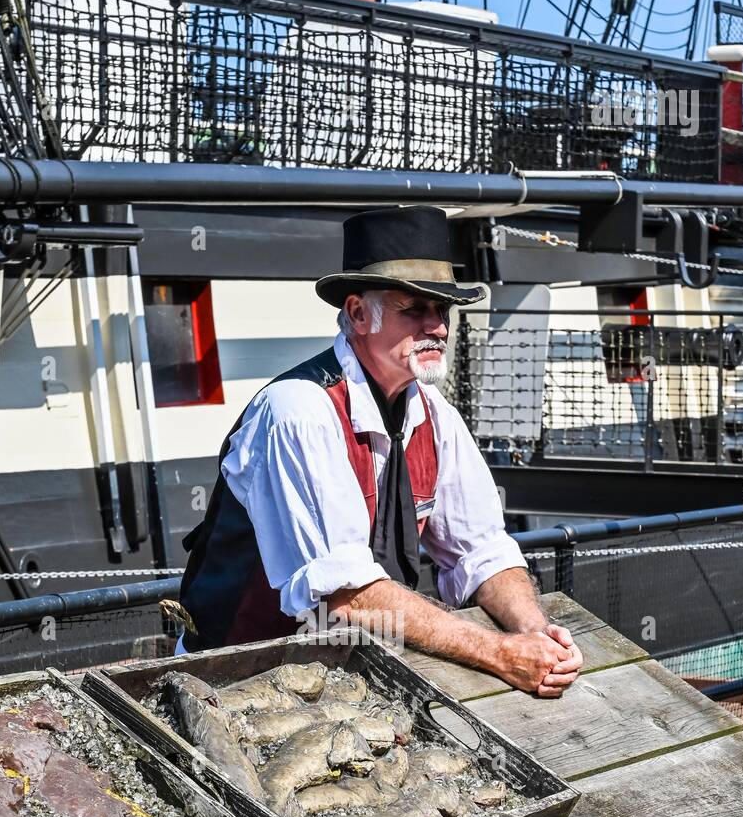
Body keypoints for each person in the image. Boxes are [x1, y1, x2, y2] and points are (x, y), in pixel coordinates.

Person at [178, 205, 582, 697]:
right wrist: (497, 653)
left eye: (444, 310)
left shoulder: (434, 415)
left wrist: (532, 631)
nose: (436, 327)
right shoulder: (298, 411)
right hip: (240, 682)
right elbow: (346, 596)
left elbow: (483, 550)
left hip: (351, 678)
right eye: (414, 308)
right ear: (356, 313)